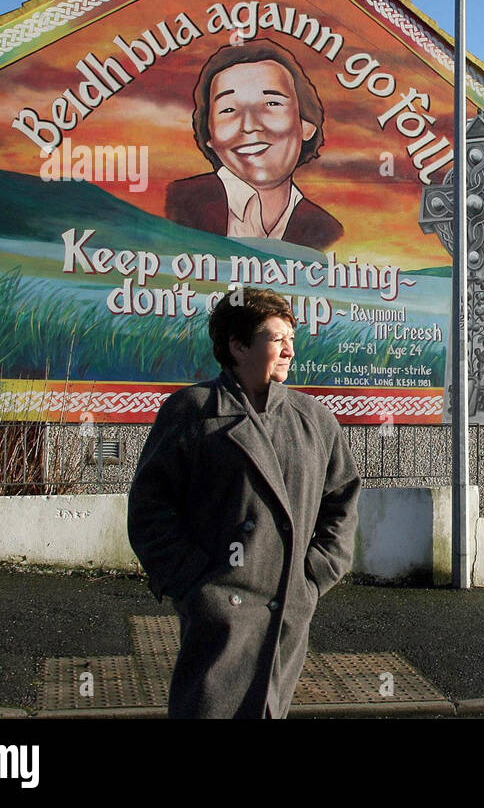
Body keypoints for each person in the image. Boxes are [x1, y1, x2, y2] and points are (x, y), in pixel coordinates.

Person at [127, 287, 360, 718]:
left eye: (291, 337)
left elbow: (341, 504)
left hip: (287, 612)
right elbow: (149, 508)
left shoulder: (315, 420)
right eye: (276, 339)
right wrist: (194, 586)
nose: (290, 349)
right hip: (219, 613)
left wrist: (312, 578)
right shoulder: (192, 411)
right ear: (237, 346)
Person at [165, 40, 344, 250]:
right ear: (210, 135)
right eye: (229, 110)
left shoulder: (326, 230)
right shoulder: (179, 203)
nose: (249, 126)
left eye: (272, 104)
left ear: (306, 125)